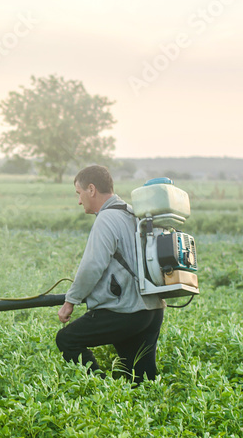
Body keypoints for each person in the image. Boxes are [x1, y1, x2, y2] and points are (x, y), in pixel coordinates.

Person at [56, 165, 165, 384]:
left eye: (79, 193)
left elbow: (92, 266)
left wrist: (71, 301)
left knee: (67, 339)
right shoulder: (135, 213)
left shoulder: (106, 219)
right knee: (141, 378)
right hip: (152, 310)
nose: (79, 201)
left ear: (92, 189)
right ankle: (151, 410)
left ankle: (101, 390)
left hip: (125, 311)